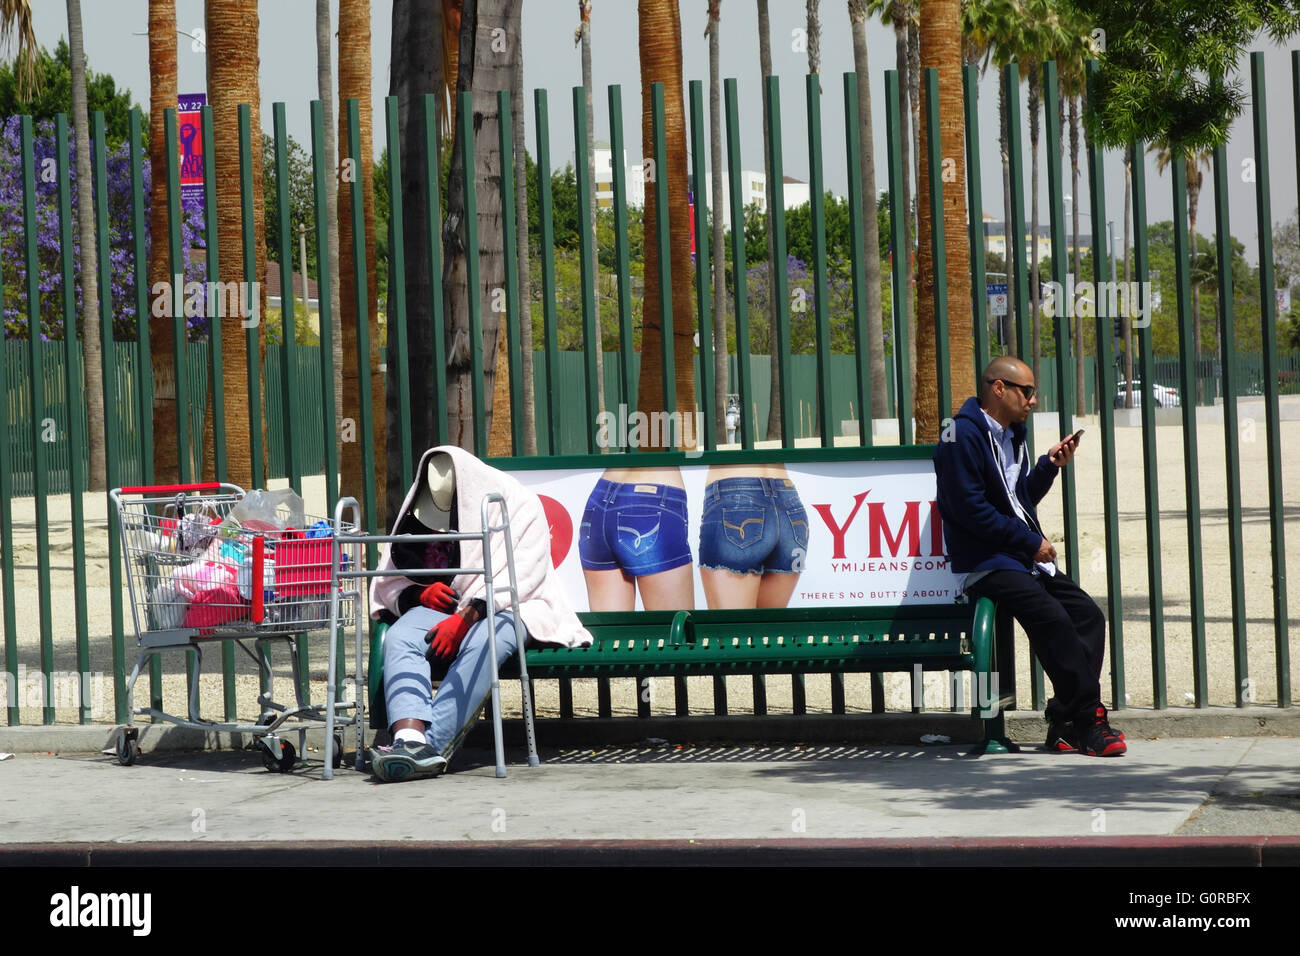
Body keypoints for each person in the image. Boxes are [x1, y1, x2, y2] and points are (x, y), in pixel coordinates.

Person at [933, 356, 1125, 757]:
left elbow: (1016, 500)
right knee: (1052, 617)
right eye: (1028, 391)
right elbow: (970, 510)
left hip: (1019, 556)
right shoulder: (960, 436)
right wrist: (1029, 542)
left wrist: (1047, 468)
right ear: (999, 388)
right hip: (985, 562)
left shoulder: (1012, 434)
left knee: (1088, 615)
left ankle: (1064, 721)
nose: (1034, 400)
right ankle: (1089, 719)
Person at [368, 445, 592, 781]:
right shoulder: (418, 511)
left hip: (515, 605)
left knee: (485, 641)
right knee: (400, 637)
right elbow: (390, 579)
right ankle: (409, 737)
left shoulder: (518, 504)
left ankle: (430, 748)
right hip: (446, 608)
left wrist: (466, 618)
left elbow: (524, 576)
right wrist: (419, 592)